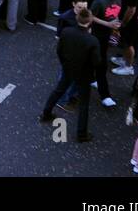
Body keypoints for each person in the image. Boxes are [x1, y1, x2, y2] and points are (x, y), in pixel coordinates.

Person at [39, 8, 101, 142]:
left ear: (77, 19)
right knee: (84, 103)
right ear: (89, 21)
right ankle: (81, 134)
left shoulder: (67, 32)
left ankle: (46, 113)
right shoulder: (92, 40)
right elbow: (97, 61)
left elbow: (59, 50)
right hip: (84, 74)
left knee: (58, 90)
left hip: (68, 68)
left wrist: (65, 63)